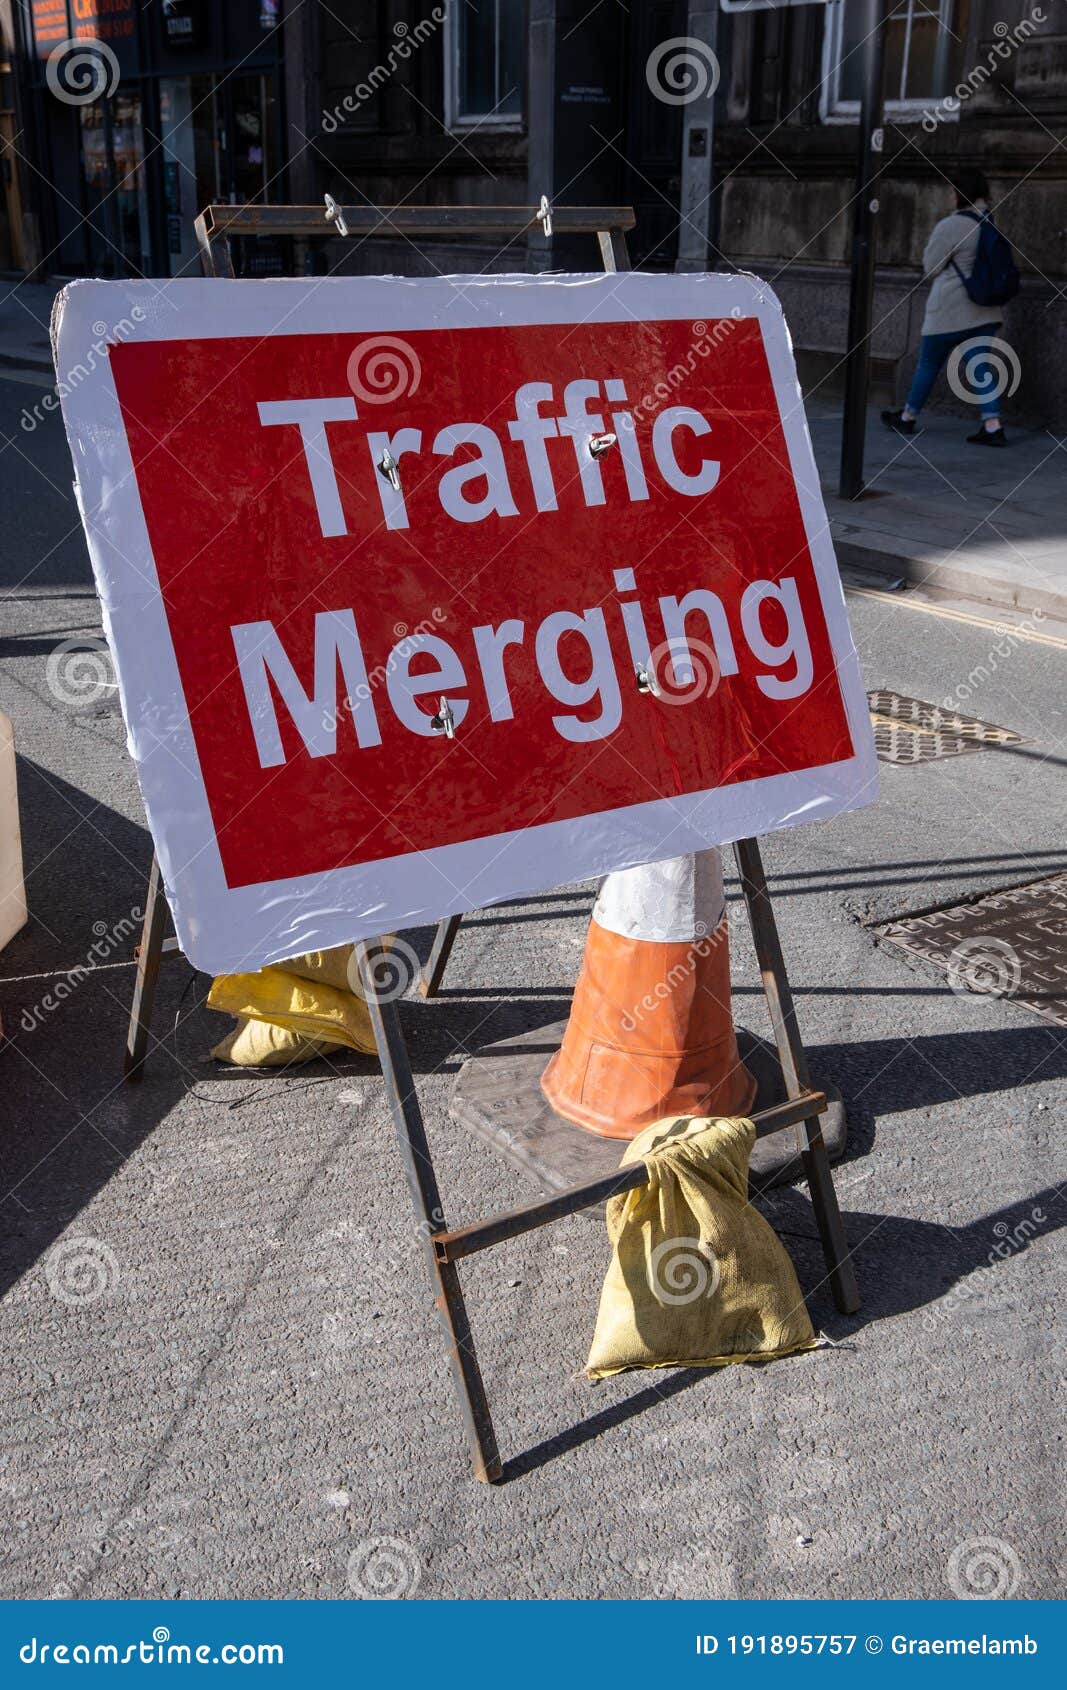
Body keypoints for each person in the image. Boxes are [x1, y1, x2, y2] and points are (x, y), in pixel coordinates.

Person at [882, 170, 1009, 447]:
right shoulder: (989, 221)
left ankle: (907, 417)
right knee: (980, 367)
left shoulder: (951, 225)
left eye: (953, 191)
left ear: (960, 194)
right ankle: (993, 426)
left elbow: (931, 268)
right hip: (984, 310)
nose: (950, 196)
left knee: (928, 363)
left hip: (949, 310)